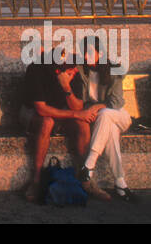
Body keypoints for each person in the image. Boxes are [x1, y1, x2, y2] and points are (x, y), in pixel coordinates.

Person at [19, 54, 110, 202]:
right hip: (32, 113)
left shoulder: (74, 71)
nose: (74, 73)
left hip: (60, 111)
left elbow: (78, 107)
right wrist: (76, 114)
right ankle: (35, 180)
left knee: (82, 124)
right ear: (57, 71)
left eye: (74, 70)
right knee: (47, 122)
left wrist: (66, 87)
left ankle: (85, 178)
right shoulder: (37, 69)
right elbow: (42, 109)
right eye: (70, 71)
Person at [79, 36, 138, 202]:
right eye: (84, 52)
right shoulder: (82, 71)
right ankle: (120, 182)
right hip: (102, 121)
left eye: (90, 52)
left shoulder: (114, 69)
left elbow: (116, 102)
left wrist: (97, 107)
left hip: (119, 115)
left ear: (101, 53)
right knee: (110, 130)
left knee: (106, 115)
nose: (85, 57)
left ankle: (89, 164)